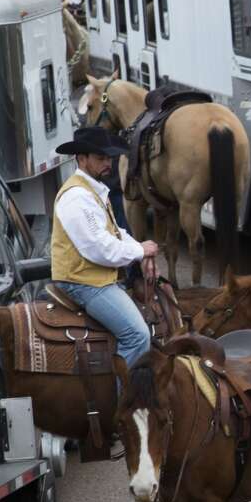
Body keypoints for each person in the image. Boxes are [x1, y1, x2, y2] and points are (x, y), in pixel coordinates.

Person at [51, 126, 158, 369]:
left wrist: (139, 250)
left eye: (108, 157)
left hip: (91, 279)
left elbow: (115, 232)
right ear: (82, 159)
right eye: (100, 158)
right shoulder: (77, 196)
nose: (107, 163)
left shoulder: (92, 190)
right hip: (82, 283)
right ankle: (125, 403)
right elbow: (100, 249)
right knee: (138, 336)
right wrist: (141, 252)